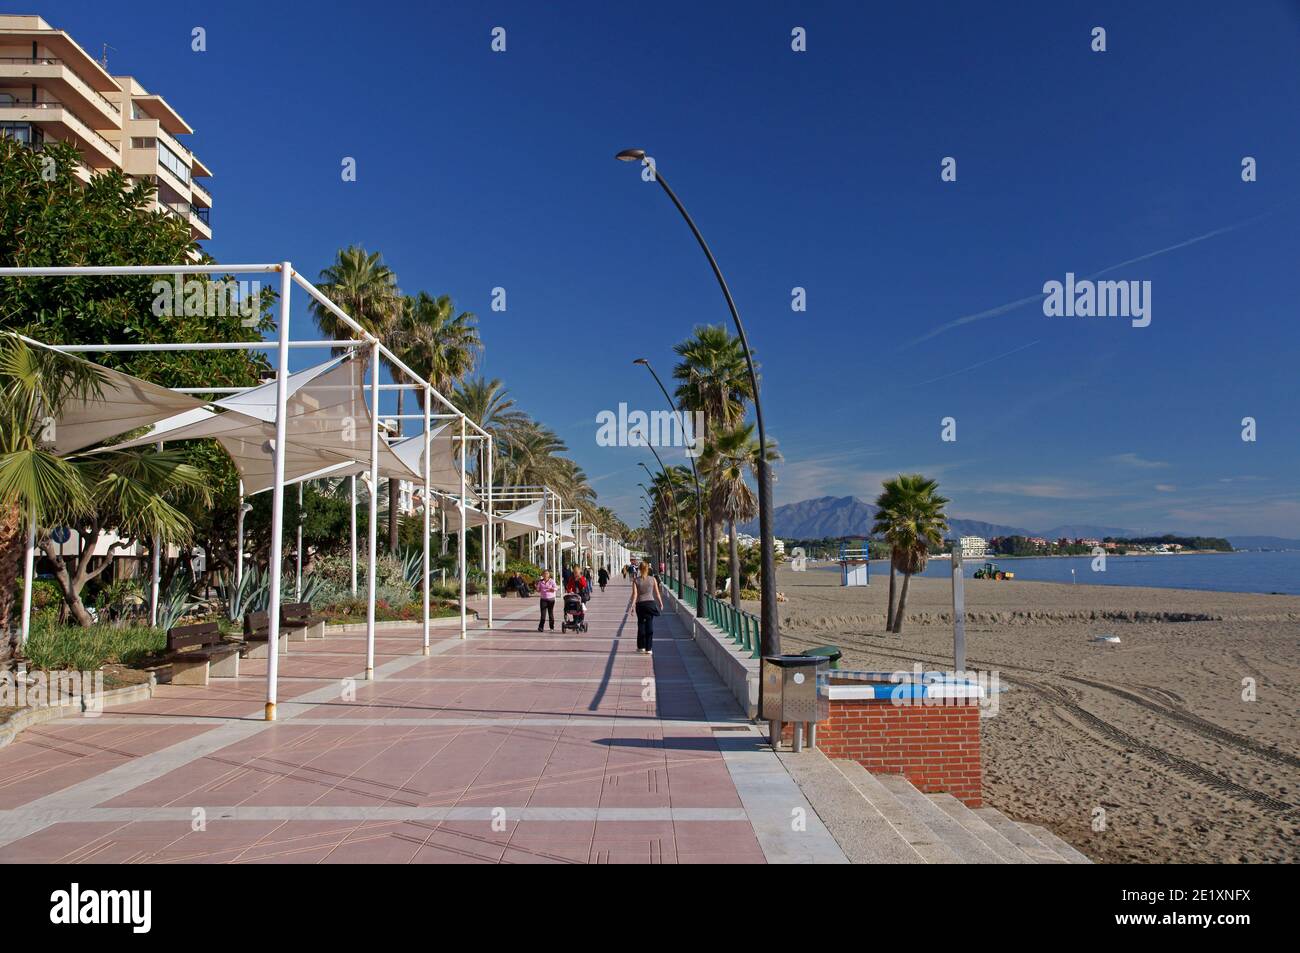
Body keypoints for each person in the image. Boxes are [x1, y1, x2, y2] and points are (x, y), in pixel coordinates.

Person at [626, 561, 663, 655]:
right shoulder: (653, 579)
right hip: (650, 604)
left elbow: (635, 595)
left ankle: (641, 647)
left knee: (641, 624)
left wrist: (632, 606)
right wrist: (660, 603)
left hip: (640, 604)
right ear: (648, 569)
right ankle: (649, 648)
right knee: (649, 624)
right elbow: (657, 593)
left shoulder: (636, 580)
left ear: (639, 569)